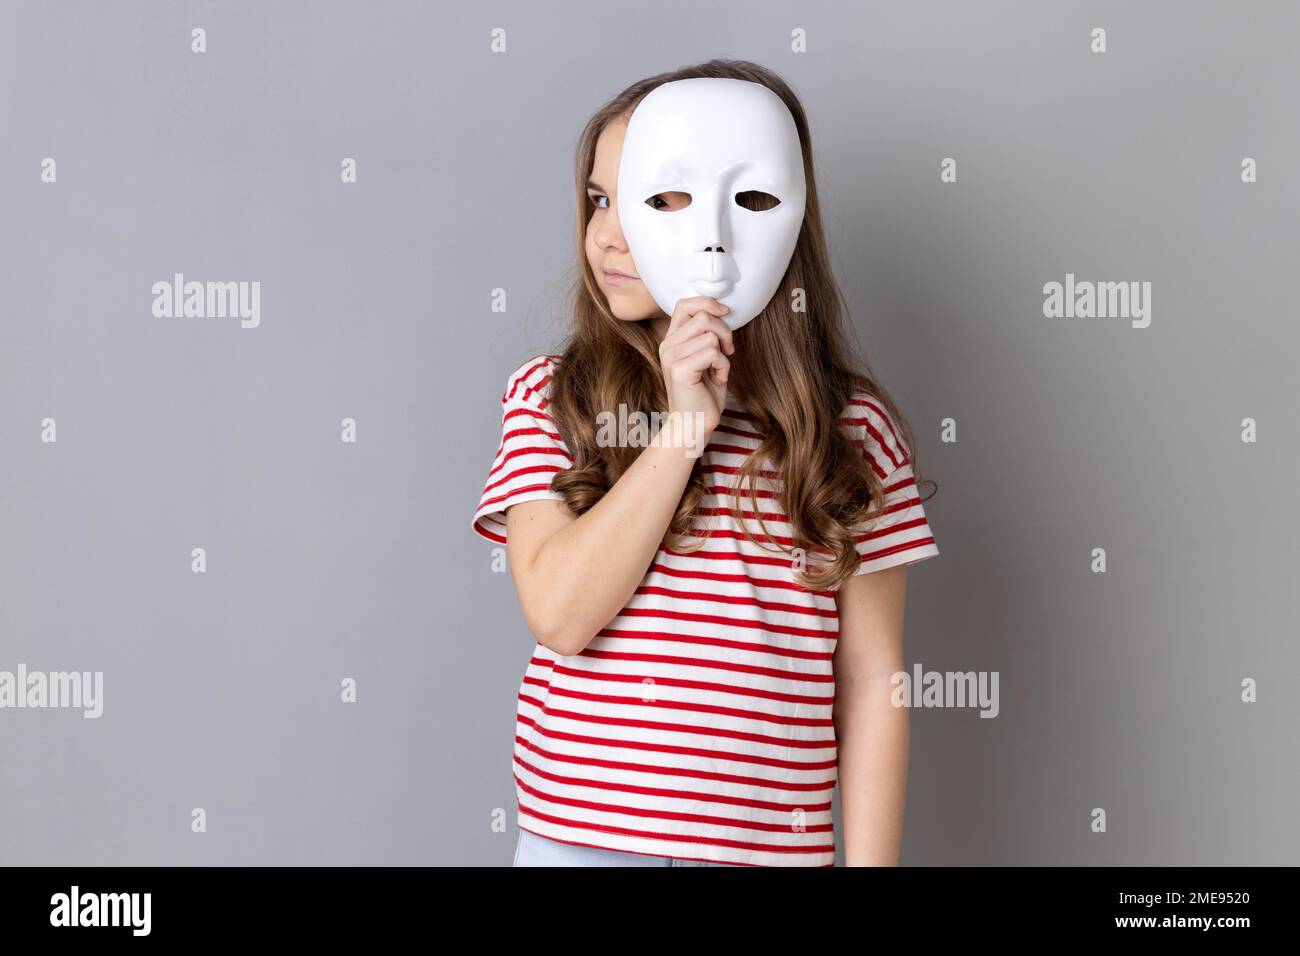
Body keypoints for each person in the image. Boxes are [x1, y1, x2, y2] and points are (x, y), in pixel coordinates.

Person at [471, 58, 940, 867]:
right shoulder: (554, 398)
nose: (607, 236)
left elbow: (872, 683)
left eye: (655, 197)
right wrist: (684, 431)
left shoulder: (852, 430)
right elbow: (560, 613)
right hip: (581, 842)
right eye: (597, 200)